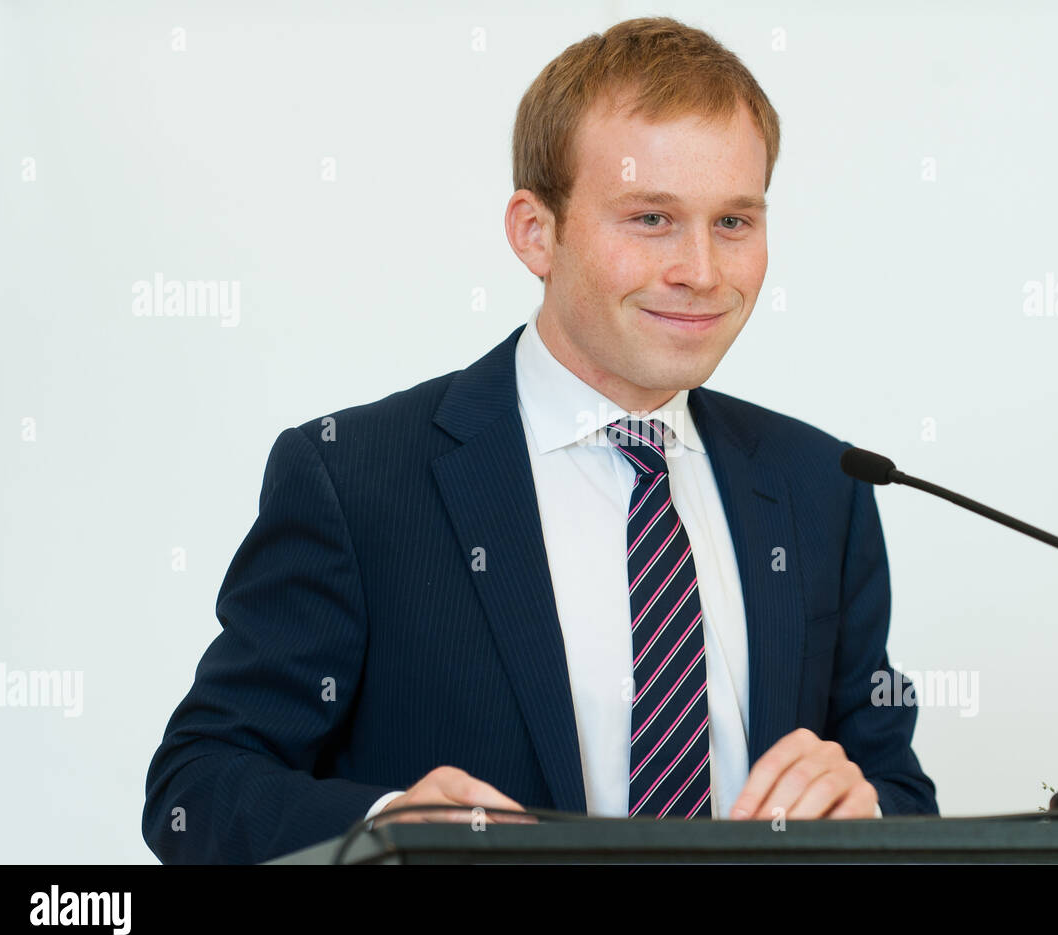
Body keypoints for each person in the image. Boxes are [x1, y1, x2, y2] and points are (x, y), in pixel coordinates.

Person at [142, 15, 937, 866]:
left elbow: (899, 793)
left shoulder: (824, 484)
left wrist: (869, 815)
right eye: (651, 219)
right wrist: (386, 827)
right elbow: (198, 782)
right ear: (535, 232)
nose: (703, 271)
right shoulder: (356, 479)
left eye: (734, 222)